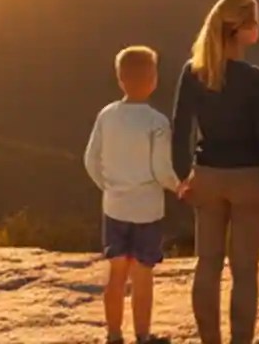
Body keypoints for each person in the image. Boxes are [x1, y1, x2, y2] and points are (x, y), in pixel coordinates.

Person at [172, 0, 259, 344]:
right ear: (245, 30)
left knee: (208, 265)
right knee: (245, 271)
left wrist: (181, 176)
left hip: (207, 176)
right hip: (249, 180)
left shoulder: (193, 73)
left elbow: (180, 130)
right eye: (256, 22)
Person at [84, 46, 180, 344]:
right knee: (142, 275)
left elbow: (90, 159)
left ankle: (113, 334)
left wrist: (110, 187)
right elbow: (162, 169)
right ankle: (142, 335)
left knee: (116, 273)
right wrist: (179, 187)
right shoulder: (157, 122)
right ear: (153, 80)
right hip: (147, 210)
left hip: (115, 206)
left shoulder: (107, 115)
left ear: (119, 79)